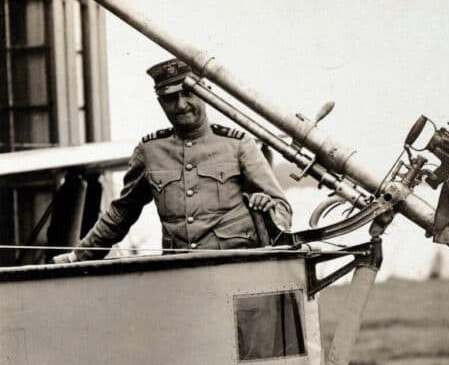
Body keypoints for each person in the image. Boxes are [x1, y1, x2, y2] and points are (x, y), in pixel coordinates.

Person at [53, 58, 291, 263]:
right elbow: (120, 214)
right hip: (179, 276)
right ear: (160, 102)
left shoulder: (238, 144)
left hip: (238, 271)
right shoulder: (150, 151)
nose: (181, 105)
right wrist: (77, 257)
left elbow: (282, 210)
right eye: (170, 98)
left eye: (188, 94)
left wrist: (268, 208)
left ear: (205, 92)